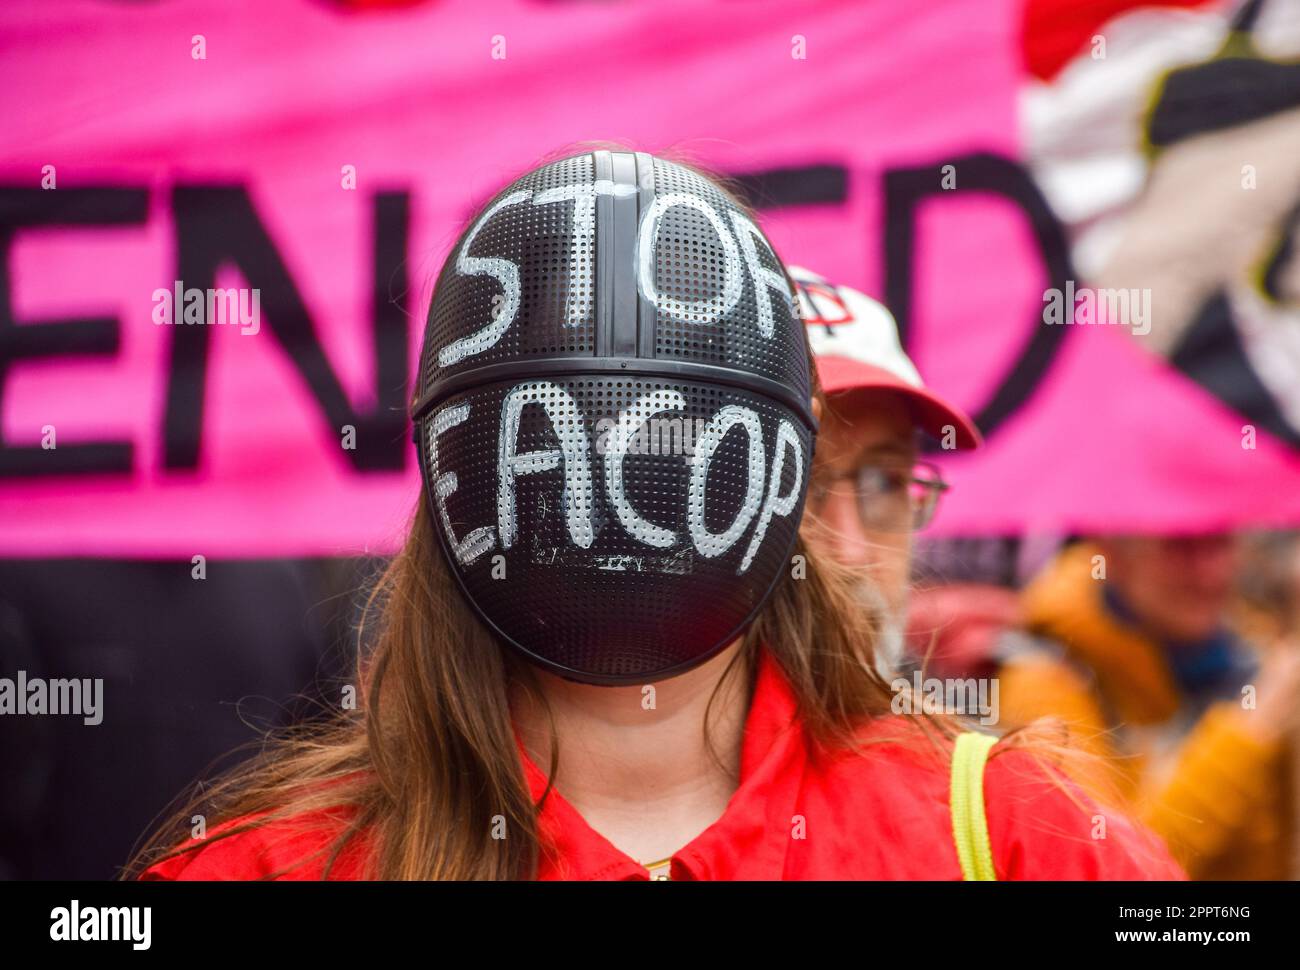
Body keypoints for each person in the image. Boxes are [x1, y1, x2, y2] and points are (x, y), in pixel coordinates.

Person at [127, 150, 1182, 881]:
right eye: (810, 477)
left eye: (884, 483)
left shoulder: (1012, 835)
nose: (851, 545)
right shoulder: (270, 861)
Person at [996, 533, 1300, 880]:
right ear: (1111, 551)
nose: (1208, 574)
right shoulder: (1047, 680)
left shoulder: (1253, 647)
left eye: (1221, 543)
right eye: (1178, 547)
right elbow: (1112, 865)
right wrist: (1251, 729)